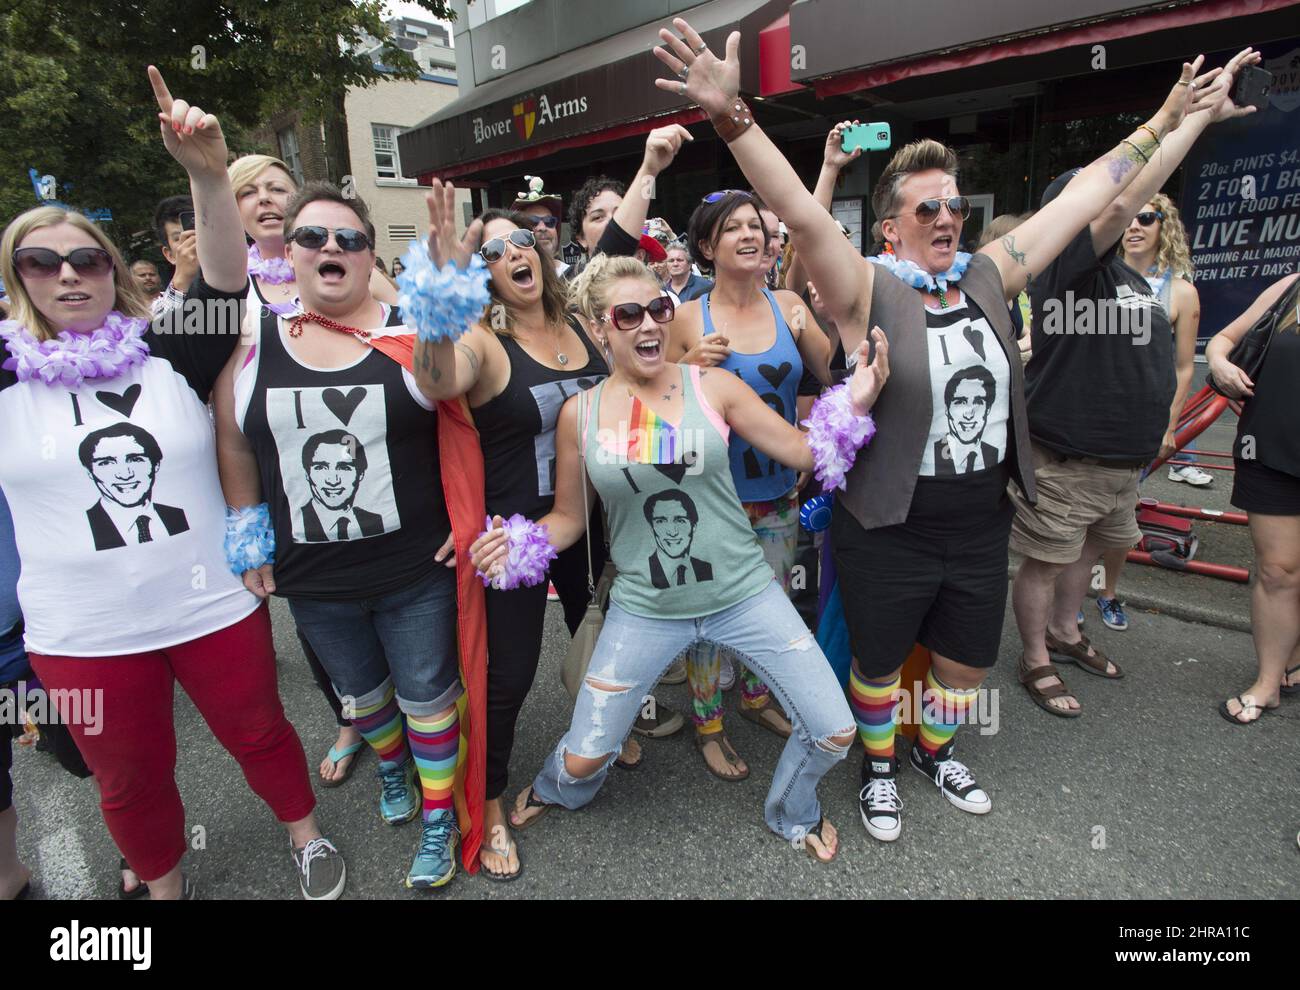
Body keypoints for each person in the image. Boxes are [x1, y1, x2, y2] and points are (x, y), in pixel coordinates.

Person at [653, 15, 1236, 842]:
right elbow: (793, 205)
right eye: (927, 205)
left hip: (977, 517)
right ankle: (880, 766)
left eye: (955, 203)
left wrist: (1171, 114)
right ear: (890, 227)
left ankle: (932, 749)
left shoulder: (994, 276)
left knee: (965, 666)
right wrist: (729, 114)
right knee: (879, 664)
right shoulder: (863, 290)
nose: (946, 215)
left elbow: (1088, 194)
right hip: (889, 522)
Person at [0, 66, 344, 900]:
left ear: (115, 269)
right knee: (126, 776)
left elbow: (227, 284)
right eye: (41, 263)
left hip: (208, 603)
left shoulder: (167, 348)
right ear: (20, 281)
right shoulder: (4, 378)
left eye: (87, 258)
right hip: (78, 634)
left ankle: (304, 835)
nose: (69, 275)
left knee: (259, 731)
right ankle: (162, 885)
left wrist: (204, 174)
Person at [471, 254, 889, 862]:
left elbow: (803, 453)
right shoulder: (578, 415)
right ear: (598, 326)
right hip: (645, 607)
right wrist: (518, 543)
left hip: (744, 592)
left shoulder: (712, 385)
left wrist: (857, 399)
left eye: (659, 309)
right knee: (585, 756)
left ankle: (794, 810)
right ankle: (558, 786)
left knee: (835, 731)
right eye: (628, 313)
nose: (649, 325)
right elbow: (567, 517)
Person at [212, 179, 484, 890]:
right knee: (362, 698)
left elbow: (446, 385)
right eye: (312, 237)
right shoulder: (253, 342)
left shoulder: (404, 332)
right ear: (286, 253)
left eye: (349, 239)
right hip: (313, 578)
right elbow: (235, 443)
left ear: (368, 258)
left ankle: (434, 816)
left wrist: (437, 295)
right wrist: (247, 529)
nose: (330, 248)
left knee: (427, 694)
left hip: (411, 570)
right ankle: (390, 770)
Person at [1011, 52, 1256, 717]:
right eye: (1102, 207)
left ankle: (1066, 631)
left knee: (1098, 545)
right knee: (1046, 556)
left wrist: (1163, 423)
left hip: (1124, 459)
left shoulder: (1135, 280)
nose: (1133, 218)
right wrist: (1191, 119)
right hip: (1067, 455)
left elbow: (1169, 362)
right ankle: (1035, 657)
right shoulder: (1066, 262)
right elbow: (1120, 195)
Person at [407, 189, 638, 881]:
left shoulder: (580, 326)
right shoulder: (481, 339)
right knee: (506, 678)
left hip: (598, 521)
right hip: (520, 534)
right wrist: (438, 297)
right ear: (479, 276)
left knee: (610, 642)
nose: (512, 253)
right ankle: (492, 800)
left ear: (540, 254)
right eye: (491, 252)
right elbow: (434, 381)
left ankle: (602, 732)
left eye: (521, 243)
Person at [667, 189, 833, 780]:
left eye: (756, 227)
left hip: (779, 490)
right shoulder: (688, 314)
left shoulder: (786, 300)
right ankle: (708, 724)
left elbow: (827, 366)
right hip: (711, 495)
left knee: (777, 604)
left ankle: (758, 700)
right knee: (709, 615)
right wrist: (686, 361)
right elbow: (653, 398)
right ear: (708, 246)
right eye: (733, 228)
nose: (750, 235)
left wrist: (806, 324)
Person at [1089, 194, 1206, 632]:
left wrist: (1170, 425)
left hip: (1141, 425)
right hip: (1093, 417)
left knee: (1119, 520)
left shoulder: (1181, 291)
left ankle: (1108, 592)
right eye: (1130, 219)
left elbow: (1183, 366)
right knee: (1081, 517)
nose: (1135, 226)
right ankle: (1073, 597)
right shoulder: (1100, 280)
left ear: (1164, 227)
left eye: (1147, 217)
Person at [1206, 272, 1300, 723]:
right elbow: (1222, 339)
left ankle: (1293, 656)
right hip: (1272, 449)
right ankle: (1268, 681)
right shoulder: (1290, 288)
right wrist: (1221, 363)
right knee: (1279, 571)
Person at [512, 176, 569, 278]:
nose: (542, 227)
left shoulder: (577, 278)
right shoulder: (512, 283)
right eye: (532, 222)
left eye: (549, 222)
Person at [151, 195, 197, 319]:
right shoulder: (158, 308)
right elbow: (163, 331)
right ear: (169, 255)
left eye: (196, 231)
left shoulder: (247, 274)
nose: (190, 240)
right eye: (178, 238)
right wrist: (182, 280)